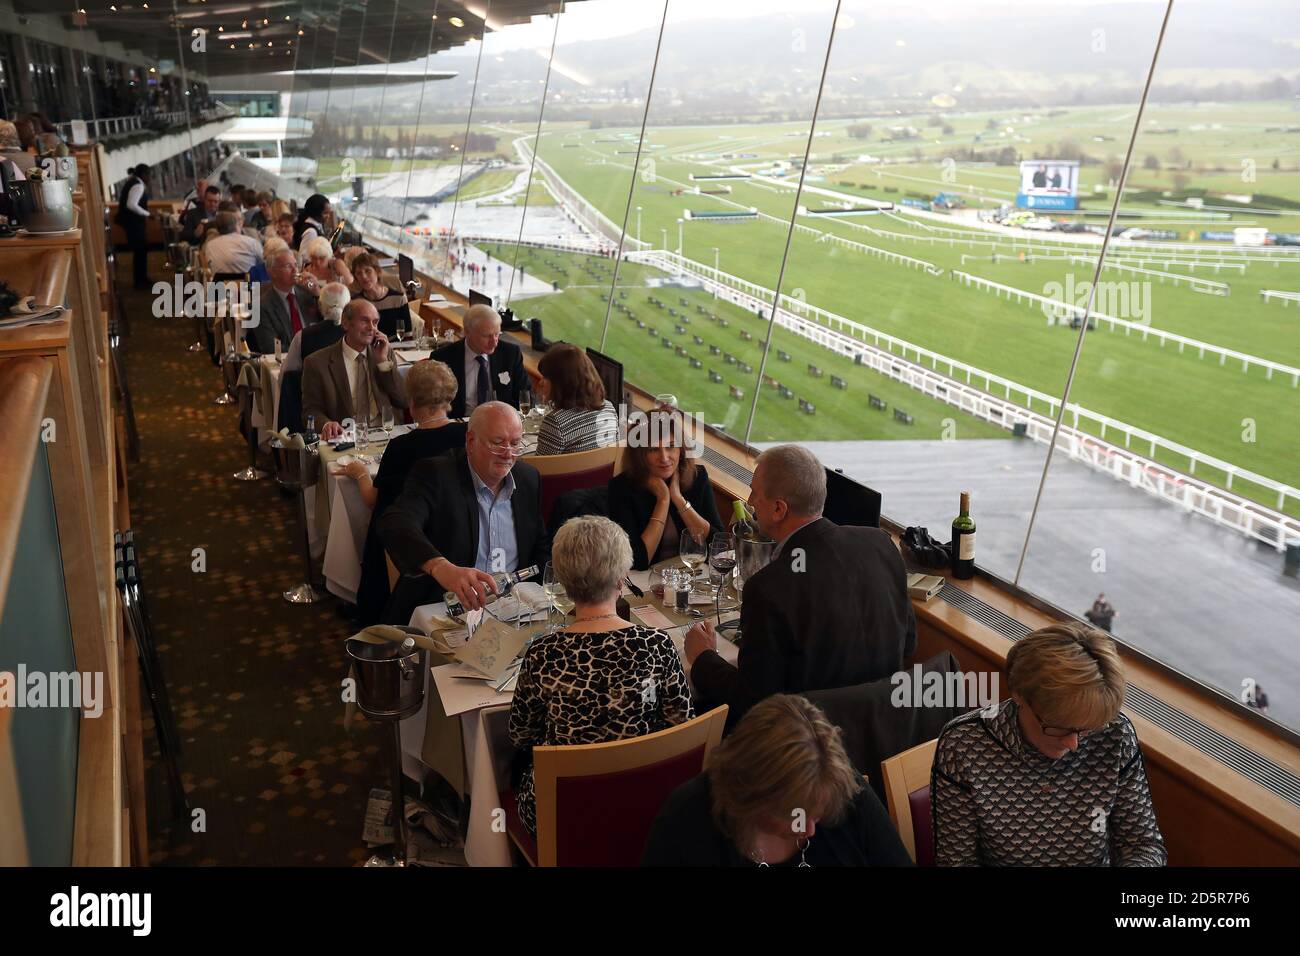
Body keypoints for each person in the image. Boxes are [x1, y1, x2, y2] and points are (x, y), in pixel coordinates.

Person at [684, 444, 916, 727]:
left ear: (779, 509)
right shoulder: (881, 544)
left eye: (755, 492)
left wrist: (703, 658)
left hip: (809, 749)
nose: (750, 500)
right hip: (886, 731)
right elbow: (908, 643)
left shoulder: (768, 589)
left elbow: (753, 703)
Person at [509, 515, 693, 835]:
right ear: (622, 580)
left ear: (564, 584)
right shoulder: (658, 645)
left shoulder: (542, 654)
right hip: (647, 806)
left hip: (563, 816)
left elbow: (520, 736)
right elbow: (683, 726)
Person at [931, 622, 1167, 866]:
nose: (1074, 744)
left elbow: (1143, 846)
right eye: (1059, 727)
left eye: (1085, 730)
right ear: (1019, 694)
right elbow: (956, 862)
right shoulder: (964, 745)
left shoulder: (1115, 734)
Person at [643, 694, 912, 867]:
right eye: (796, 814)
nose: (809, 830)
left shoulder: (837, 787)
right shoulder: (686, 820)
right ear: (749, 796)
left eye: (816, 816)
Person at [378, 401, 548, 625]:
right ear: (470, 441)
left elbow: (540, 545)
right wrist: (441, 567)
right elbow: (395, 523)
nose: (508, 454)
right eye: (497, 443)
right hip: (447, 609)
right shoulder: (436, 475)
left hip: (513, 610)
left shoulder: (528, 478)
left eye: (515, 443)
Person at [345, 360, 468, 625]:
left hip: (414, 545)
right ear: (450, 397)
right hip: (461, 537)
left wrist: (360, 473)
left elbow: (375, 503)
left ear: (411, 401)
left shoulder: (402, 447)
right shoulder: (468, 435)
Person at [606, 408, 723, 571]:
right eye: (653, 449)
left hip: (690, 576)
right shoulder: (622, 488)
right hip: (645, 581)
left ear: (681, 449)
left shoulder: (698, 477)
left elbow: (719, 548)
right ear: (640, 454)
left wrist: (677, 498)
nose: (664, 457)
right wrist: (663, 500)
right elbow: (637, 561)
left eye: (671, 446)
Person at [301, 299, 407, 440]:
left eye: (375, 322)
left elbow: (403, 400)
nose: (372, 328)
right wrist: (327, 424)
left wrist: (383, 362)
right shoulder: (316, 363)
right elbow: (311, 410)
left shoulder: (384, 353)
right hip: (346, 437)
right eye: (364, 321)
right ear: (345, 323)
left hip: (385, 434)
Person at [430, 303, 525, 419]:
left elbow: (524, 394)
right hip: (459, 426)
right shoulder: (443, 358)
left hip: (500, 423)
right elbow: (432, 403)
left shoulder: (510, 354)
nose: (494, 342)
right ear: (467, 332)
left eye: (497, 334)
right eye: (487, 336)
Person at [533, 343, 619, 456]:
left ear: (562, 383)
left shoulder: (555, 422)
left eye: (546, 377)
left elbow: (539, 470)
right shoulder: (609, 408)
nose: (541, 382)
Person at [251, 248, 319, 354]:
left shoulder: (308, 294)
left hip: (317, 356)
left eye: (296, 265)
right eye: (288, 266)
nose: (295, 270)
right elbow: (270, 347)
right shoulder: (261, 306)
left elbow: (330, 323)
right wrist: (305, 352)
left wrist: (318, 294)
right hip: (288, 362)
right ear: (272, 272)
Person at [283, 280, 348, 373]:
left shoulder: (303, 336)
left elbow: (287, 373)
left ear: (320, 305)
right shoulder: (357, 334)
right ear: (348, 306)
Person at [350, 252, 410, 337]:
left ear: (377, 272)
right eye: (359, 273)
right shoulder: (355, 303)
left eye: (368, 271)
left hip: (396, 348)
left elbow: (407, 335)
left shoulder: (399, 299)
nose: (363, 276)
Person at [115, 163, 153, 290]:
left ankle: (141, 279)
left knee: (140, 250)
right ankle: (139, 281)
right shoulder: (138, 185)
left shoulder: (133, 181)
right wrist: (148, 214)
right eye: (149, 175)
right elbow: (131, 205)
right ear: (143, 175)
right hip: (133, 223)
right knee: (140, 251)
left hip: (131, 222)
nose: (150, 178)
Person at [204, 211, 263, 278]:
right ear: (236, 225)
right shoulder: (251, 242)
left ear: (217, 228)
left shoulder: (209, 245)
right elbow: (263, 263)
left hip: (219, 287)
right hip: (249, 287)